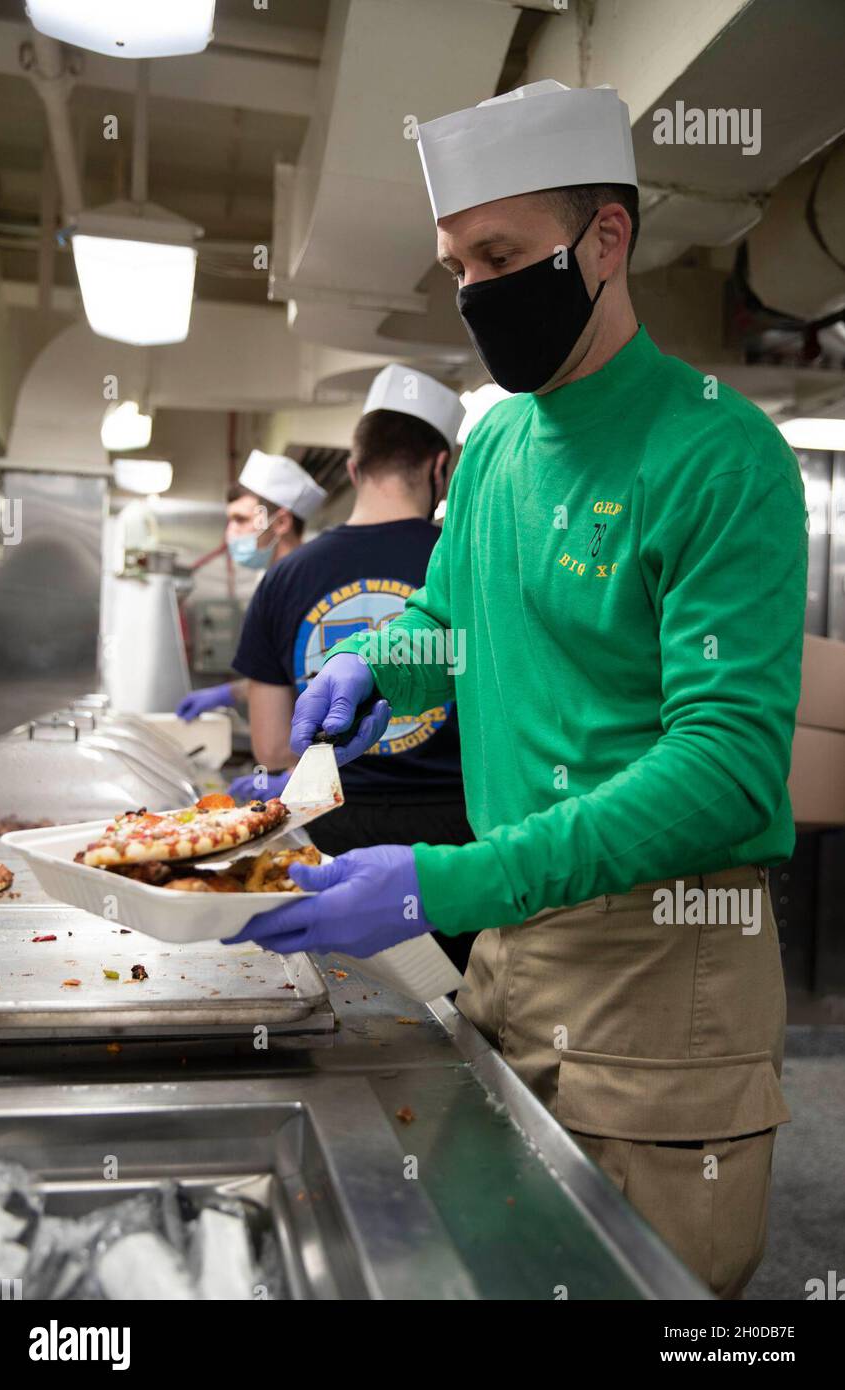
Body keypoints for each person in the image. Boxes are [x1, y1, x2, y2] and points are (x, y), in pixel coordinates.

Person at [226, 80, 809, 1298]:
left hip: (663, 975)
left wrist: (445, 880)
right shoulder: (492, 444)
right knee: (505, 1265)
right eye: (456, 266)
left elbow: (725, 766)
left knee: (641, 1288)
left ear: (606, 238)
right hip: (509, 950)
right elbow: (451, 613)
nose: (476, 292)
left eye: (500, 255)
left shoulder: (715, 453)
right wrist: (375, 660)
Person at [230, 365, 475, 971]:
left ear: (355, 467)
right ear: (441, 467)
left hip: (330, 830)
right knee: (456, 1034)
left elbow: (270, 744)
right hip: (454, 850)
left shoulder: (284, 576)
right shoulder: (467, 564)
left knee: (342, 1012)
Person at [176, 452, 325, 722]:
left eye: (241, 519)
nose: (230, 532)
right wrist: (228, 692)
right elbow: (278, 675)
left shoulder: (310, 586)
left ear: (281, 522)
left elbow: (311, 678)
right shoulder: (269, 582)